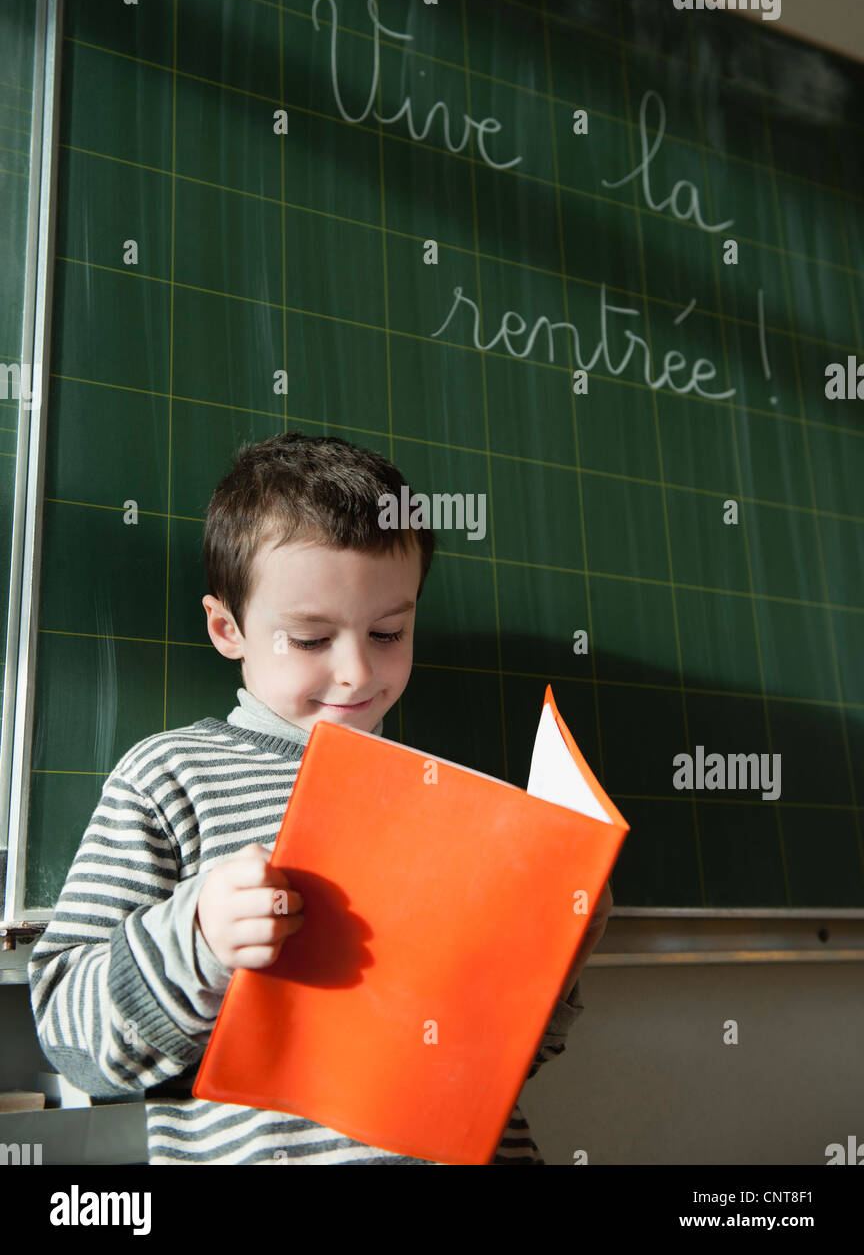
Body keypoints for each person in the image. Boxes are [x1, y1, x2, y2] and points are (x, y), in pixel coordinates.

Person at [28, 431, 611, 1164]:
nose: (356, 671)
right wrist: (200, 938)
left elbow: (493, 1068)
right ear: (227, 628)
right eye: (309, 639)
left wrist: (555, 960)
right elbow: (72, 1039)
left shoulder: (454, 806)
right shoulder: (169, 776)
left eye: (389, 631)